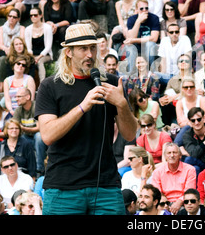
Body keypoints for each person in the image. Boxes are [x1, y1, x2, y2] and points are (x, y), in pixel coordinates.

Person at [34, 23, 137, 215]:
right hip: (63, 188)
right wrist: (83, 106)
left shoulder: (111, 83)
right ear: (69, 52)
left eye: (92, 48)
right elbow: (47, 135)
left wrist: (122, 104)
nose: (90, 54)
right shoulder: (50, 86)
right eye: (83, 49)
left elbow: (130, 133)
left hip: (105, 185)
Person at [151, 142, 197, 215]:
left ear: (180, 156)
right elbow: (157, 192)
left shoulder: (190, 170)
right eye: (169, 153)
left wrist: (178, 202)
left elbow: (189, 192)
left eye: (174, 152)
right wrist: (165, 204)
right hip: (164, 204)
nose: (172, 155)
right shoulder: (157, 172)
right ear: (165, 156)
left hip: (184, 203)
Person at [24, 7, 53, 84]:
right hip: (32, 55)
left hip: (45, 55)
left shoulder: (47, 28)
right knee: (25, 61)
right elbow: (28, 47)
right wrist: (33, 57)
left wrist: (38, 57)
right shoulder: (28, 29)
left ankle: (42, 84)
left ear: (40, 15)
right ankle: (27, 84)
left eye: (35, 15)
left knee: (39, 62)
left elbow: (48, 46)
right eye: (31, 15)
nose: (33, 17)